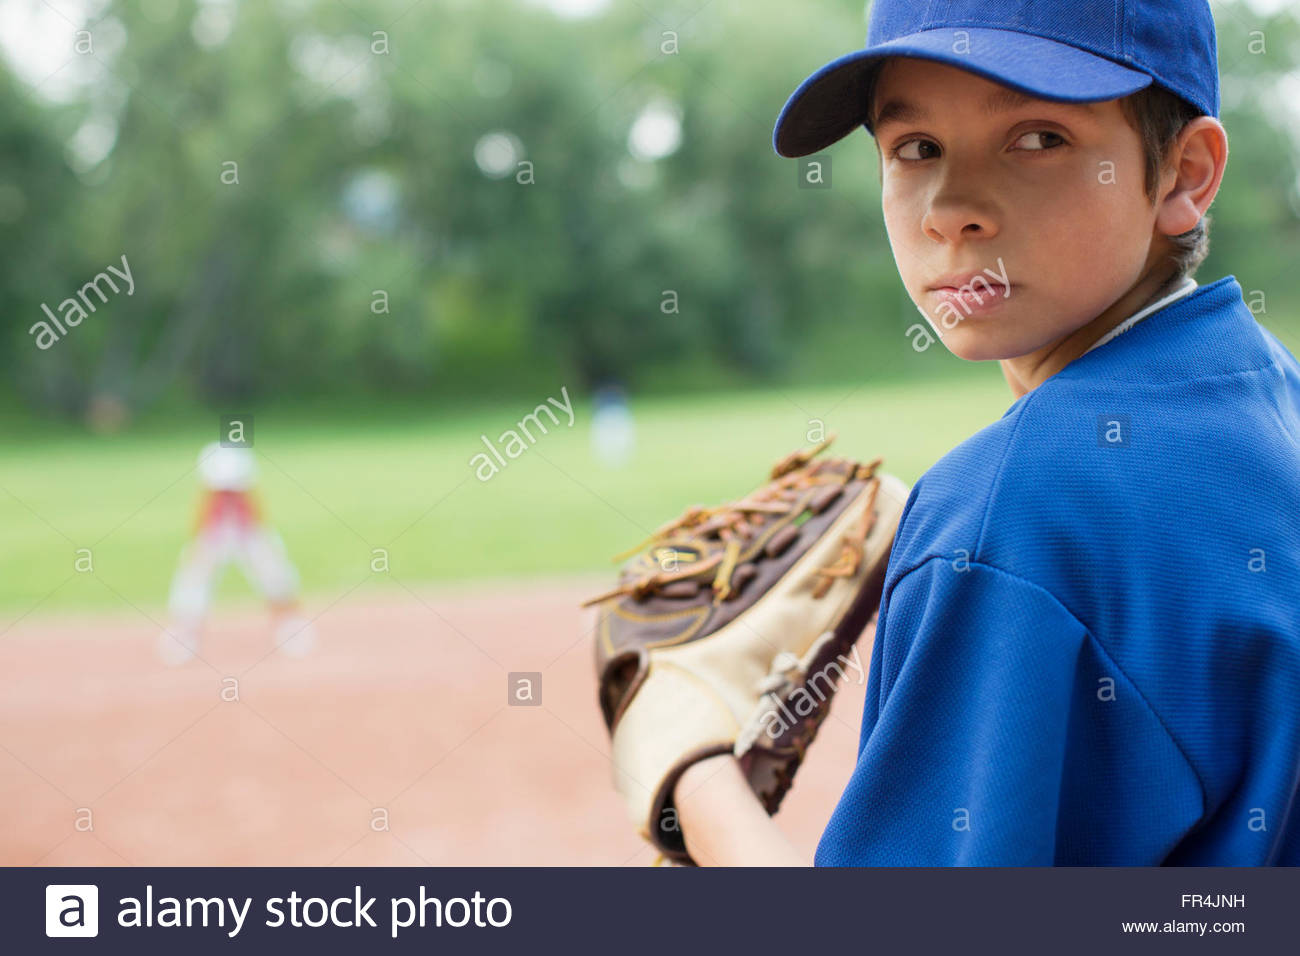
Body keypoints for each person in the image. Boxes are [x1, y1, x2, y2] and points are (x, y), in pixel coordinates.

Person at [672, 0, 1300, 865]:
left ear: (1184, 174)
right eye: (915, 148)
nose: (950, 209)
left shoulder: (1013, 511)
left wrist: (696, 782)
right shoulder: (1266, 390)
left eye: (1037, 137)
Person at [157, 442, 315, 665]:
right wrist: (202, 539)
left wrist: (258, 535)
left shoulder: (242, 484)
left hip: (246, 528)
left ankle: (290, 628)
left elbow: (252, 505)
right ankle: (184, 635)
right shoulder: (213, 490)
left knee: (274, 574)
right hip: (216, 530)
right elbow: (206, 508)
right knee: (194, 578)